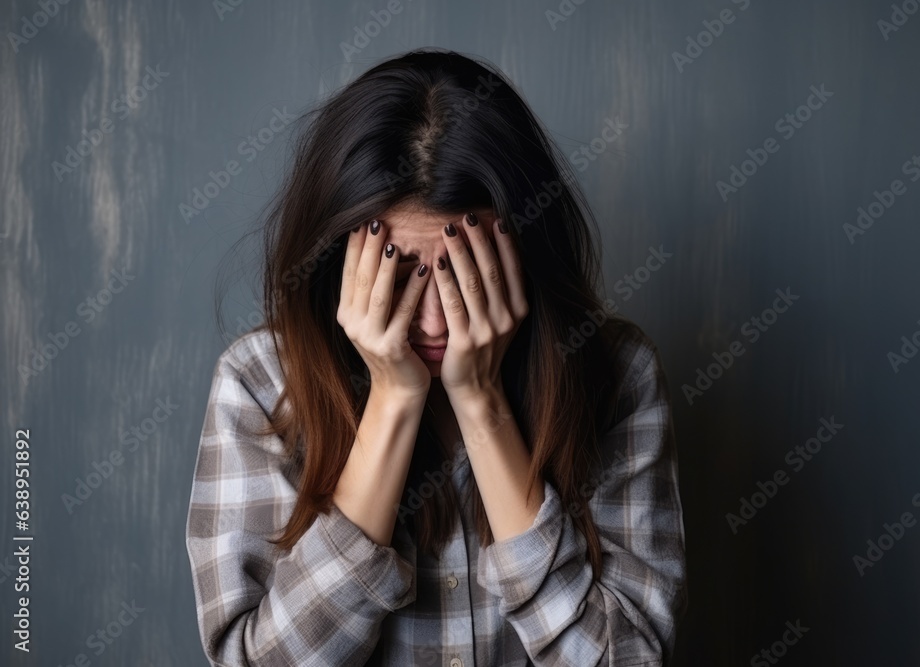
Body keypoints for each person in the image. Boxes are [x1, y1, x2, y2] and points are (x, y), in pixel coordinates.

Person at [185, 47, 686, 666]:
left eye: (461, 277)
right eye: (397, 279)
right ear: (339, 265)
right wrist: (394, 403)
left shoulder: (617, 377)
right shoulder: (261, 384)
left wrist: (482, 403)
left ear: (522, 252)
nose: (429, 321)